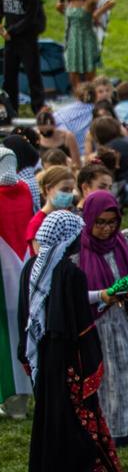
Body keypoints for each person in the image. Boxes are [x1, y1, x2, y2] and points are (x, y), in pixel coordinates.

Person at [19, 210, 128, 472]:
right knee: (77, 427)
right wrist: (92, 365)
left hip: (48, 359)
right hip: (71, 362)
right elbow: (81, 326)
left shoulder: (33, 268)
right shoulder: (70, 275)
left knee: (49, 424)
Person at [78, 191, 128, 446]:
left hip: (121, 319)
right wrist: (103, 295)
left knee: (125, 373)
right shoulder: (78, 249)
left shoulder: (124, 241)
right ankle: (102, 430)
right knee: (103, 378)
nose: (106, 229)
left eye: (111, 222)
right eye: (100, 222)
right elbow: (72, 294)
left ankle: (120, 428)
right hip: (94, 324)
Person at [0, 146, 33, 418]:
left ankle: (12, 401)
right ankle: (22, 400)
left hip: (5, 278)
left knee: (8, 340)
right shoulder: (24, 190)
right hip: (24, 274)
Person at [1, 0, 45, 116]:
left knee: (33, 76)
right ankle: (11, 110)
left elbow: (30, 19)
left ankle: (38, 110)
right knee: (9, 78)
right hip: (10, 42)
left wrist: (10, 31)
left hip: (27, 41)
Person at [56, 0, 107, 90]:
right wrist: (59, 8)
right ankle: (79, 98)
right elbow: (69, 16)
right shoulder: (68, 1)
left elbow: (109, 2)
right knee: (73, 72)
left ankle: (92, 97)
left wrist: (98, 13)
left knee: (90, 73)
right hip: (72, 40)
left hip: (87, 39)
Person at [26, 165, 74, 255]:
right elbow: (43, 260)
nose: (69, 194)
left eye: (71, 190)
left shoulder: (70, 217)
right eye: (64, 189)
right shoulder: (37, 223)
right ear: (48, 189)